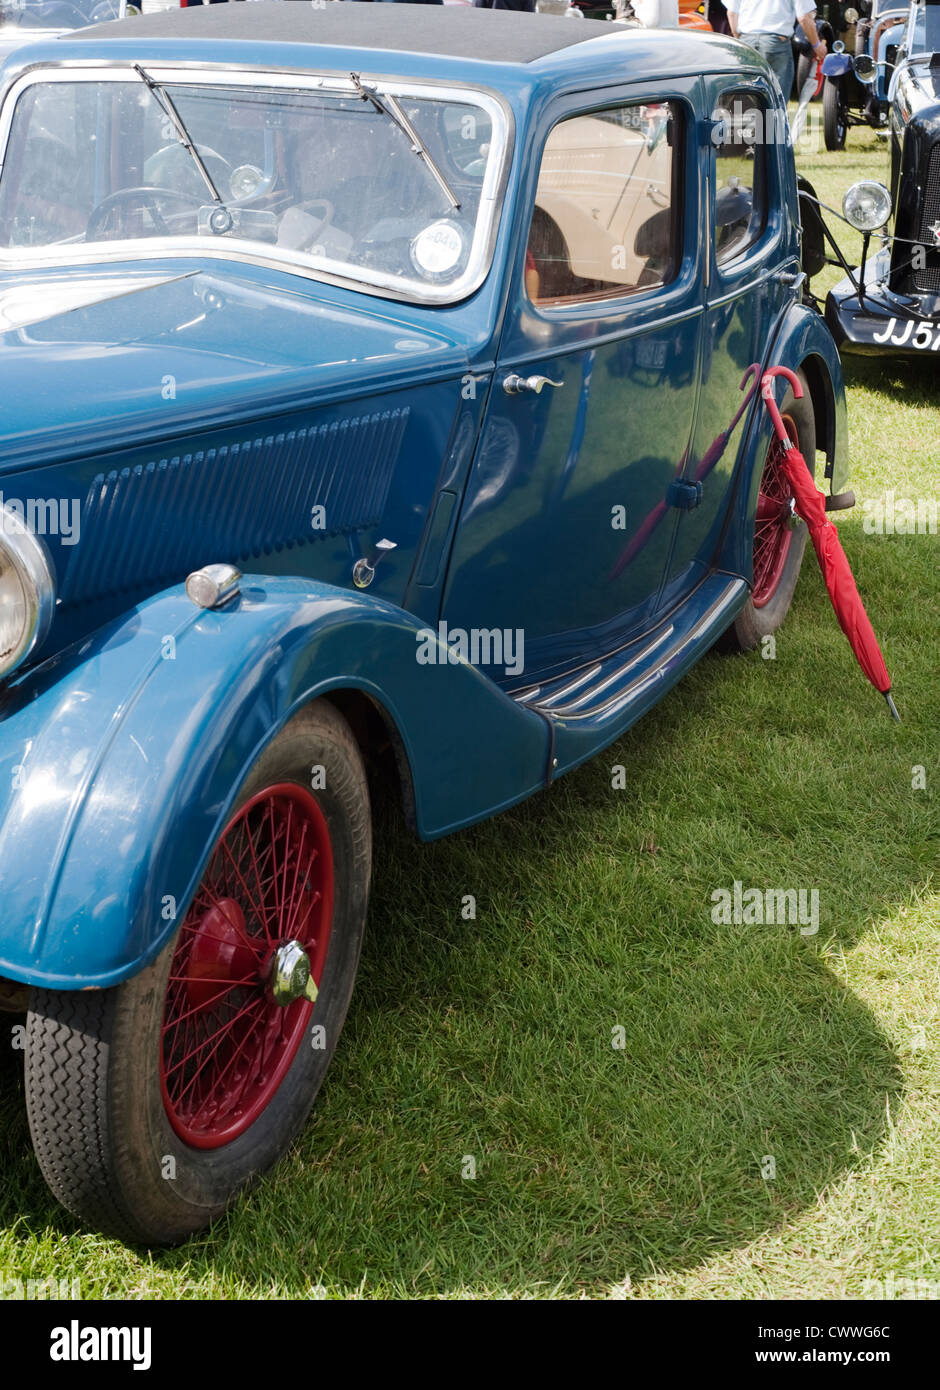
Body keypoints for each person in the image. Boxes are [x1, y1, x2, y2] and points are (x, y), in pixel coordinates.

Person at [722, 0, 827, 101]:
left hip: (746, 41)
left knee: (744, 95)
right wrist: (817, 45)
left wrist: (739, 38)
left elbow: (731, 13)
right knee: (776, 100)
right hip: (775, 44)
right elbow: (805, 18)